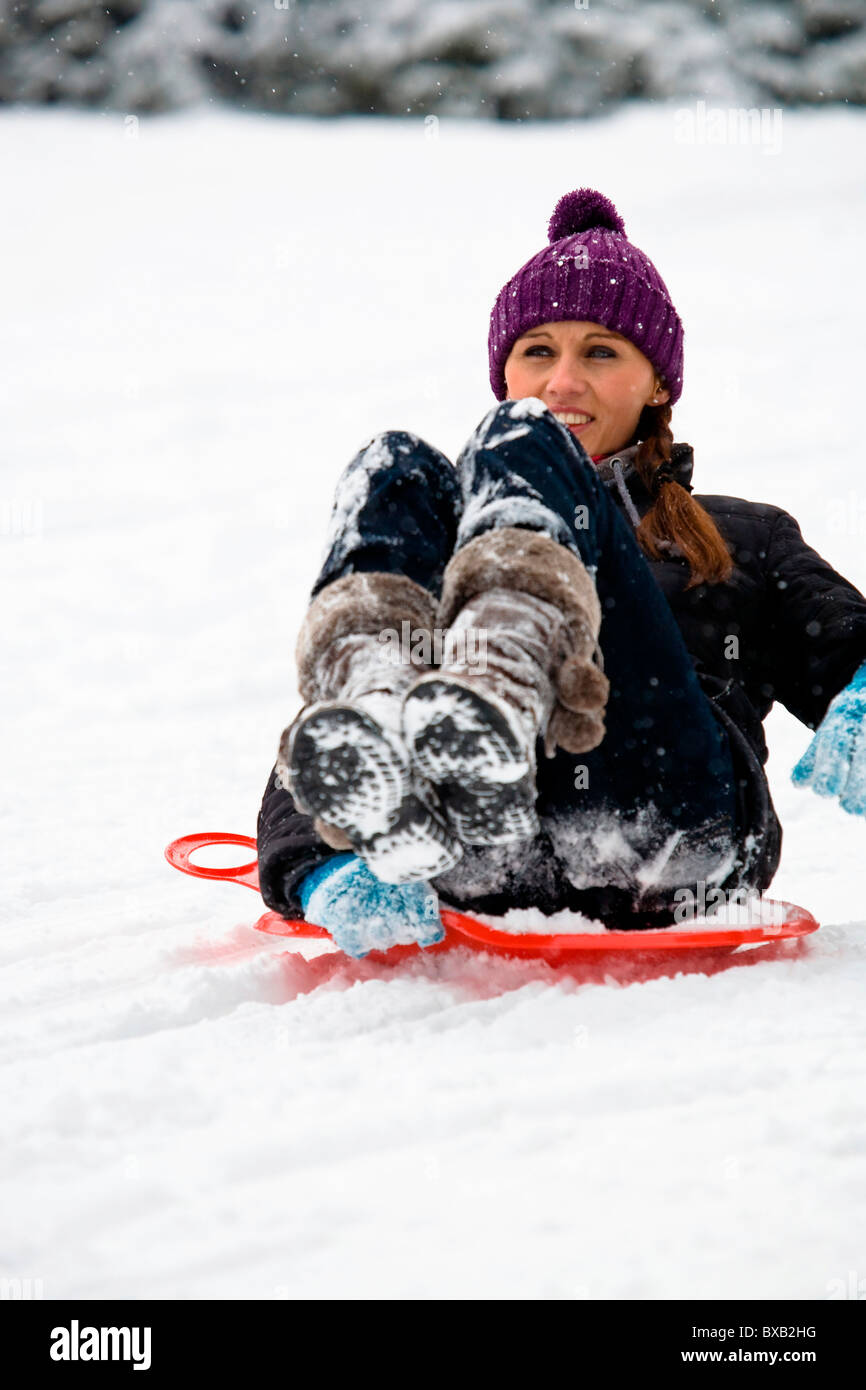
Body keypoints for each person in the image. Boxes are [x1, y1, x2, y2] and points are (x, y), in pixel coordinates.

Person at [257, 186, 866, 958]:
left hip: (674, 837)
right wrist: (323, 857)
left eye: (601, 352)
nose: (563, 382)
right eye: (537, 351)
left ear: (659, 384)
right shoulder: (445, 540)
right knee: (395, 470)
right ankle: (442, 766)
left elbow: (849, 648)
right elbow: (319, 731)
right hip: (481, 848)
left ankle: (495, 693)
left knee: (524, 444)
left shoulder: (742, 536)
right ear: (504, 370)